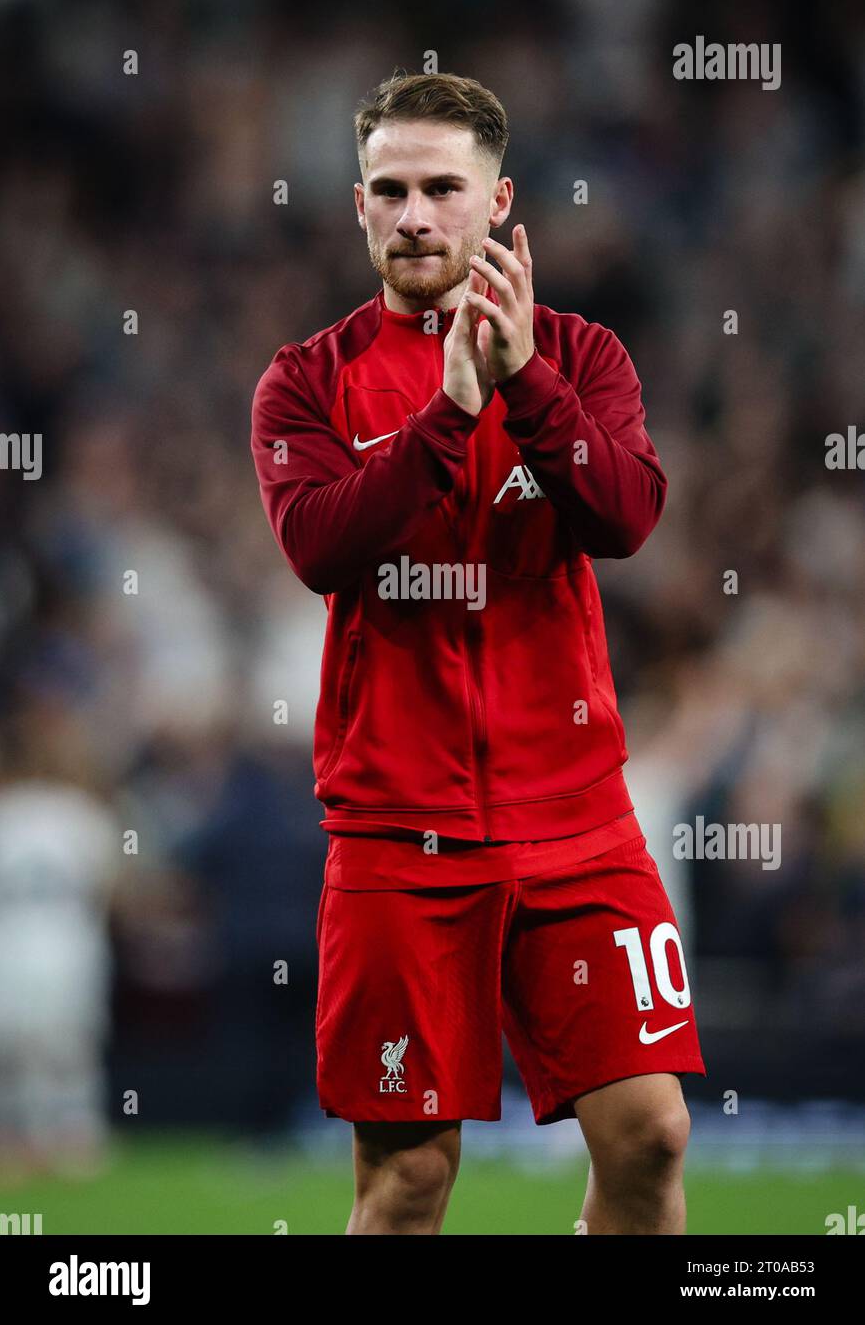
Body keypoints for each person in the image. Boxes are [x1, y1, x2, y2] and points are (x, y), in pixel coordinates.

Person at [251, 70, 706, 1234]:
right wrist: (447, 419)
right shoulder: (304, 382)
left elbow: (625, 518)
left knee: (650, 1140)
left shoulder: (580, 354)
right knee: (407, 1181)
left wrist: (521, 384)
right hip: (398, 831)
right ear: (357, 207)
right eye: (390, 190)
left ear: (498, 203)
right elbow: (319, 544)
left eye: (441, 189)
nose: (415, 216)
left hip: (575, 817)